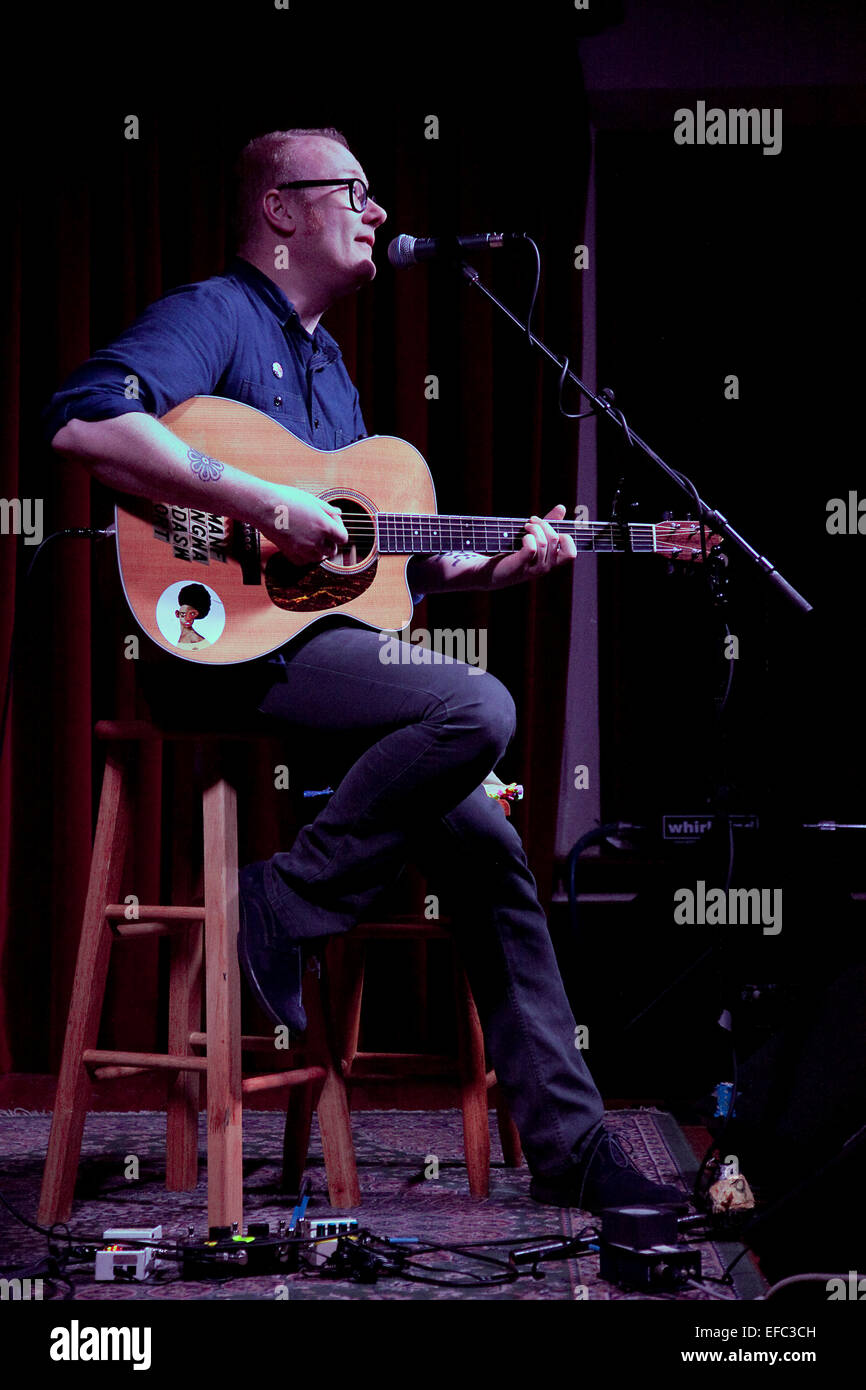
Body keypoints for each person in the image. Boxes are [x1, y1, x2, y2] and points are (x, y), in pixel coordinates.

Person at [45, 127, 685, 1214]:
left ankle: (570, 1147)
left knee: (487, 847)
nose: (379, 212)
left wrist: (499, 566)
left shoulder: (328, 364)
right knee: (476, 702)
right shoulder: (214, 314)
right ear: (283, 211)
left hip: (316, 656)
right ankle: (282, 903)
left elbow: (369, 574)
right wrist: (261, 503)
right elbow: (85, 423)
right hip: (211, 654)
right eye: (356, 191)